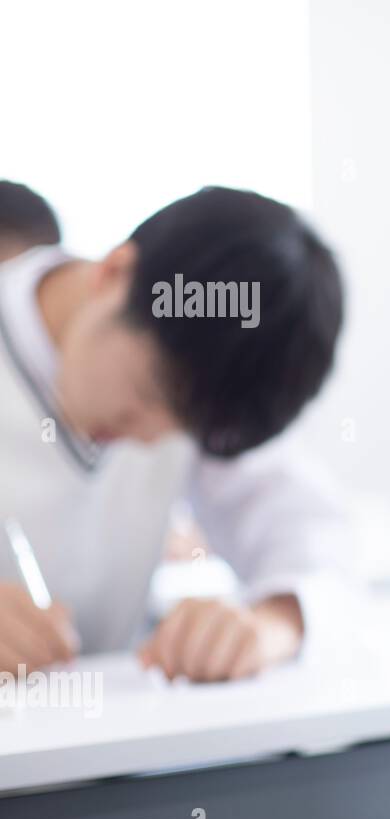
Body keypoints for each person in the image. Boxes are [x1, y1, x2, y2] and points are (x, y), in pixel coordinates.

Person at [0, 186, 355, 682]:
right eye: (145, 394)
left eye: (182, 428)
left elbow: (314, 540)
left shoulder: (204, 383)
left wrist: (271, 622)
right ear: (114, 275)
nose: (151, 438)